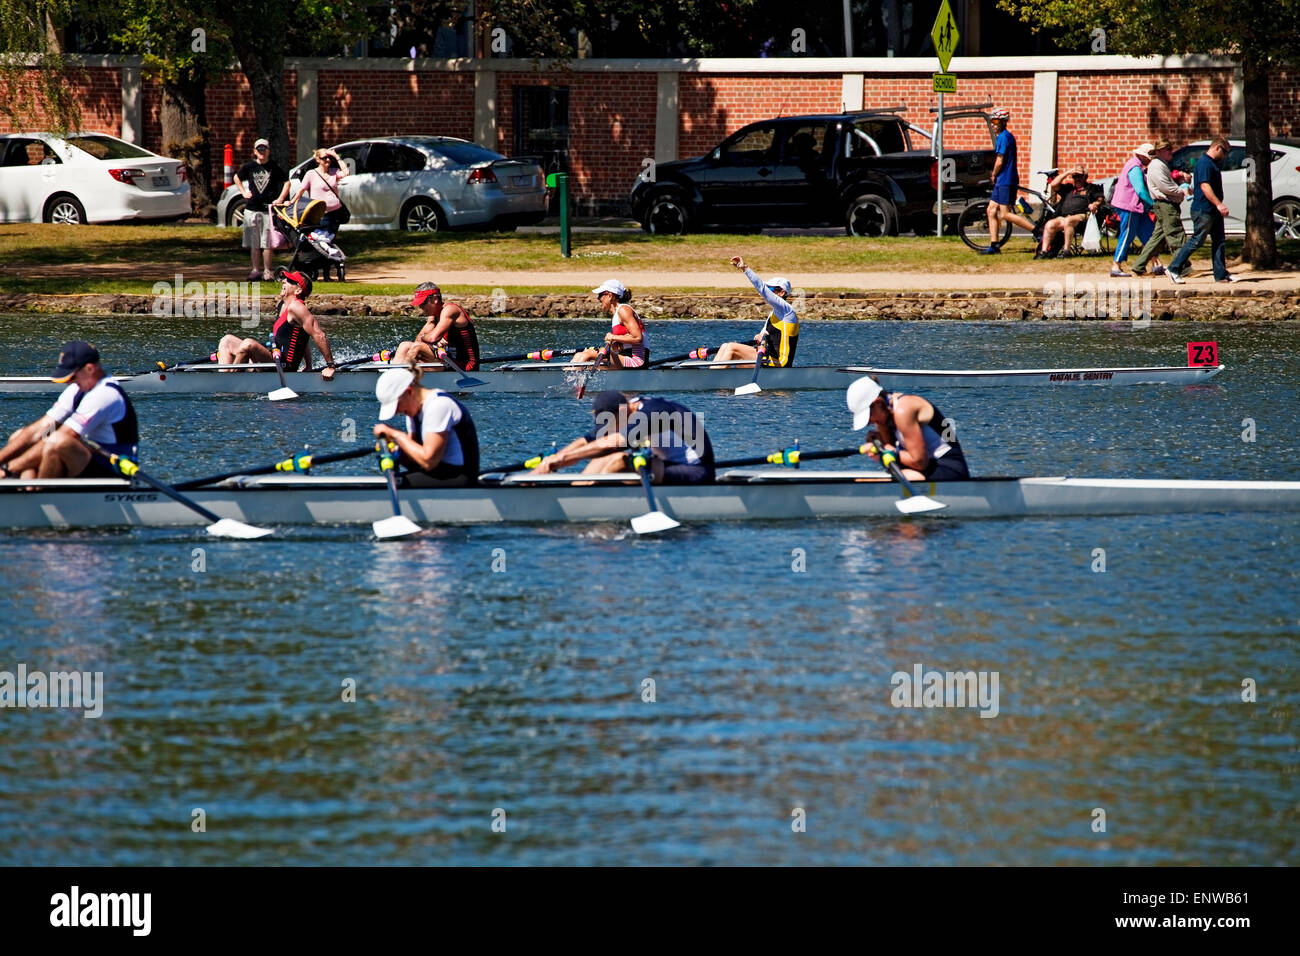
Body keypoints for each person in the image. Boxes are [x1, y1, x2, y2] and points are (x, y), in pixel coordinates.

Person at [0, 341, 139, 479]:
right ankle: (26, 492)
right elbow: (41, 429)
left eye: (72, 376)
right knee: (20, 436)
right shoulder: (77, 390)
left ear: (90, 369)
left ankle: (39, 493)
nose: (68, 381)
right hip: (85, 460)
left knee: (56, 441)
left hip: (110, 468)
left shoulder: (106, 394)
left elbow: (65, 434)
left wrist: (8, 469)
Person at [533, 389, 715, 484]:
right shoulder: (625, 412)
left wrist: (563, 459)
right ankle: (567, 491)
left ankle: (575, 500)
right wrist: (552, 461)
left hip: (696, 471)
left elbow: (612, 442)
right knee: (598, 459)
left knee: (618, 459)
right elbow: (588, 440)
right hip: (665, 465)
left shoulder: (656, 411)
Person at [216, 268, 336, 379]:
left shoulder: (297, 308)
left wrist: (330, 366)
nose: (284, 281)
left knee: (248, 344)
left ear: (298, 290)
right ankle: (223, 380)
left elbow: (319, 335)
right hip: (273, 357)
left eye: (289, 281)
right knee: (227, 340)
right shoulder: (282, 304)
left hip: (285, 366)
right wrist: (308, 365)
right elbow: (303, 337)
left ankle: (230, 383)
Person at [846, 375, 969, 481]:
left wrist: (884, 448)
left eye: (868, 416)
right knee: (866, 480)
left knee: (874, 481)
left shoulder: (904, 410)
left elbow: (920, 462)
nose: (868, 423)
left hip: (949, 469)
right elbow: (893, 460)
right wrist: (880, 446)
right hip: (924, 469)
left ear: (877, 402)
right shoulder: (884, 415)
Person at [373, 366, 479, 486]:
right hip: (436, 474)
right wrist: (395, 451)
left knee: (394, 483)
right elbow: (413, 462)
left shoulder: (439, 406)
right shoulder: (413, 413)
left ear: (409, 392)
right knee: (391, 481)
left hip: (460, 477)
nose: (396, 412)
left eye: (396, 405)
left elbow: (429, 461)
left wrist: (397, 435)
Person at [1167, 136, 1237, 284]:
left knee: (1219, 241)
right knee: (1197, 240)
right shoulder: (1204, 163)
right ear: (1217, 148)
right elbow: (1205, 186)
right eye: (1224, 152)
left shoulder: (1212, 163)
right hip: (1204, 209)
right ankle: (1174, 268)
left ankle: (1221, 274)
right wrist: (1219, 204)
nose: (1225, 156)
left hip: (1213, 210)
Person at [712, 256, 799, 367]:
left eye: (770, 289)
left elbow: (761, 288)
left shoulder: (787, 311)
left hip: (779, 363)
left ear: (781, 293)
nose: (767, 291)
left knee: (732, 348)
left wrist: (744, 268)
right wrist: (759, 336)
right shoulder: (773, 314)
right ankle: (712, 374)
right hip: (767, 358)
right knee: (725, 346)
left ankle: (711, 380)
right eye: (767, 288)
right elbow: (762, 336)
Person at [1131, 139, 1191, 277]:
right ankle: (1184, 267)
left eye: (1170, 148)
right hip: (1165, 205)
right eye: (1167, 148)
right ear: (1158, 151)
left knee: (1157, 238)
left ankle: (1138, 266)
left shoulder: (1162, 165)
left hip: (1166, 205)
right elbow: (1165, 186)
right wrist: (1182, 190)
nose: (1170, 151)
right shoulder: (1157, 166)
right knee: (1176, 235)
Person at [235, 138, 290, 281]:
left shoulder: (273, 167)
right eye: (259, 150)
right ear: (254, 151)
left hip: (267, 210)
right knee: (254, 243)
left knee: (267, 243)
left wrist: (280, 199)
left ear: (268, 151)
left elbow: (286, 182)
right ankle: (255, 270)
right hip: (252, 209)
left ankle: (267, 271)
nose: (262, 152)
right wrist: (243, 192)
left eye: (264, 149)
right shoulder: (249, 167)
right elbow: (237, 177)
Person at [982, 107, 1035, 254]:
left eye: (995, 121)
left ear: (1003, 122)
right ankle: (994, 245)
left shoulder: (1004, 137)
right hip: (1002, 180)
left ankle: (1037, 232)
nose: (992, 124)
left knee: (1005, 214)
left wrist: (993, 174)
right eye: (991, 121)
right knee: (991, 210)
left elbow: (1000, 160)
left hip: (1005, 179)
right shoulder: (1004, 137)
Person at [392, 283, 480, 370]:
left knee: (417, 348)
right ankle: (393, 375)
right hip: (448, 361)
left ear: (434, 299)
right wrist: (426, 338)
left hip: (466, 366)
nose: (420, 307)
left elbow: (432, 338)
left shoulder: (450, 310)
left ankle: (402, 377)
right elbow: (418, 340)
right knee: (404, 346)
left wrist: (425, 338)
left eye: (423, 303)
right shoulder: (433, 316)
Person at [570, 280, 649, 369]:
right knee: (581, 356)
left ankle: (566, 379)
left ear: (610, 295)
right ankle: (568, 378)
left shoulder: (624, 310)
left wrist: (613, 337)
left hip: (636, 361)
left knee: (588, 354)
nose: (598, 298)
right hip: (624, 356)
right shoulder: (616, 314)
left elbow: (637, 338)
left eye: (600, 295)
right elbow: (628, 339)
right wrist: (617, 343)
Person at [1035, 167, 1104, 259]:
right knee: (1050, 224)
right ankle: (1043, 252)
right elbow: (1053, 184)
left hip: (1083, 217)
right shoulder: (1069, 188)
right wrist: (1068, 172)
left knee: (1068, 221)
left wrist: (1094, 204)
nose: (1077, 179)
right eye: (1075, 176)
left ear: (1085, 177)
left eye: (1080, 176)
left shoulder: (1092, 188)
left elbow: (1100, 200)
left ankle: (1066, 251)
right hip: (1065, 217)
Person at [1110, 143, 1157, 277]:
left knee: (1148, 234)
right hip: (1129, 206)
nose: (1150, 160)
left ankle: (1156, 263)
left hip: (1138, 207)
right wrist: (1153, 204)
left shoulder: (1137, 166)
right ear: (1142, 155)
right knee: (1127, 235)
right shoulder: (1134, 167)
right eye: (1149, 157)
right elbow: (1140, 191)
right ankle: (1116, 265)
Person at [287, 147, 349, 234]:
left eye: (329, 157)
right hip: (321, 214)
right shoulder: (311, 174)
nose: (328, 160)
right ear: (318, 160)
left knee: (329, 238)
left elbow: (346, 172)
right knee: (321, 239)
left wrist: (336, 156)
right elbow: (301, 190)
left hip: (336, 212)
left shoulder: (334, 172)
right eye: (324, 158)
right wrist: (291, 202)